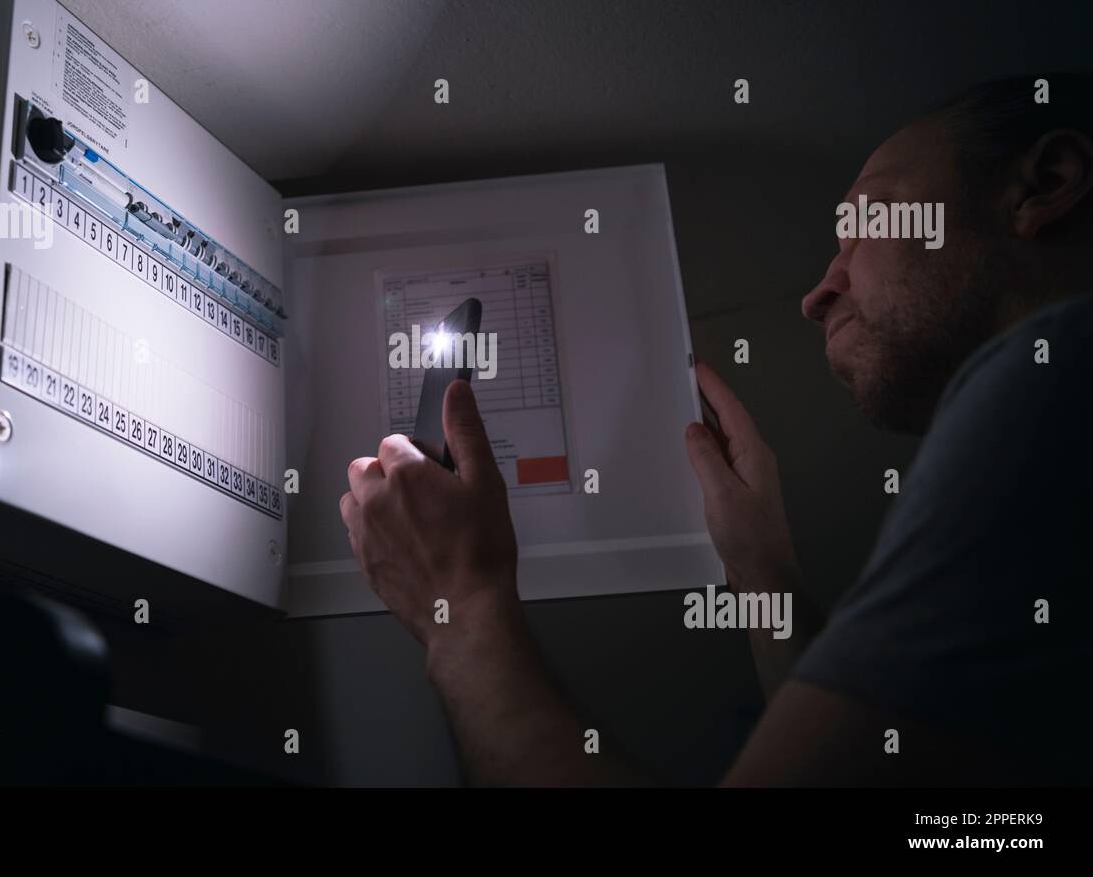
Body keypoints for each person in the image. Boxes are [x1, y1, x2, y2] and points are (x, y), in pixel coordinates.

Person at [339, 75, 1093, 786]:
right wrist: (764, 572)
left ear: (1049, 182)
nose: (818, 294)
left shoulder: (1056, 376)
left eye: (867, 219)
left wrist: (462, 613)